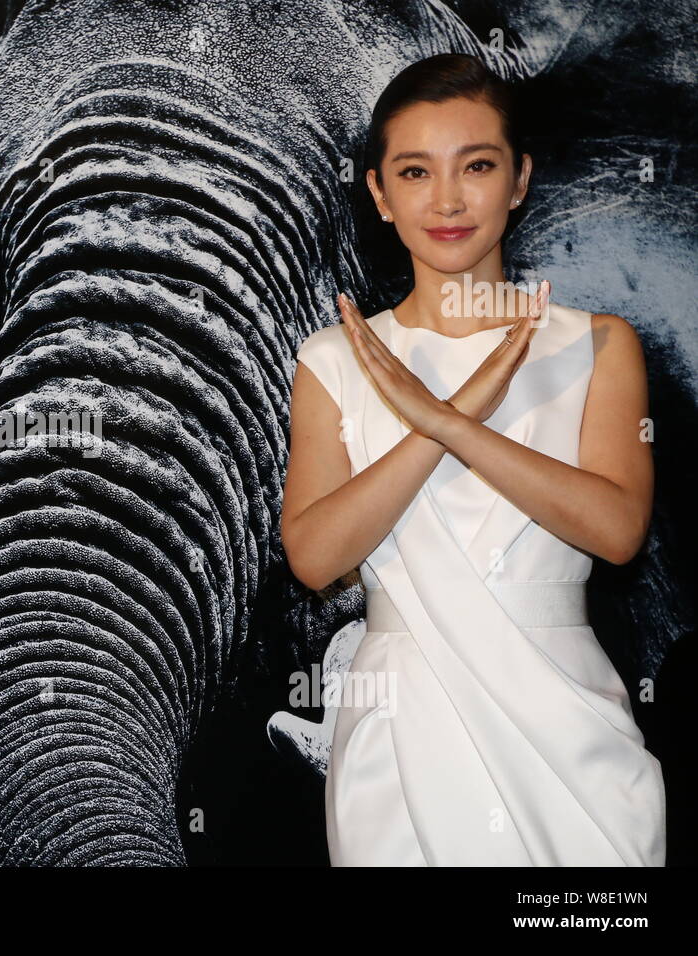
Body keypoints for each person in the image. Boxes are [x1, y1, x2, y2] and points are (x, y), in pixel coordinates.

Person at [281, 53, 666, 865]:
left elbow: (618, 528)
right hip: (401, 728)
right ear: (380, 194)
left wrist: (454, 425)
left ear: (519, 179)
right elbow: (316, 556)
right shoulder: (335, 359)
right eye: (415, 172)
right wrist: (441, 421)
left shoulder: (598, 345)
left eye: (478, 166)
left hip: (568, 724)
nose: (448, 200)